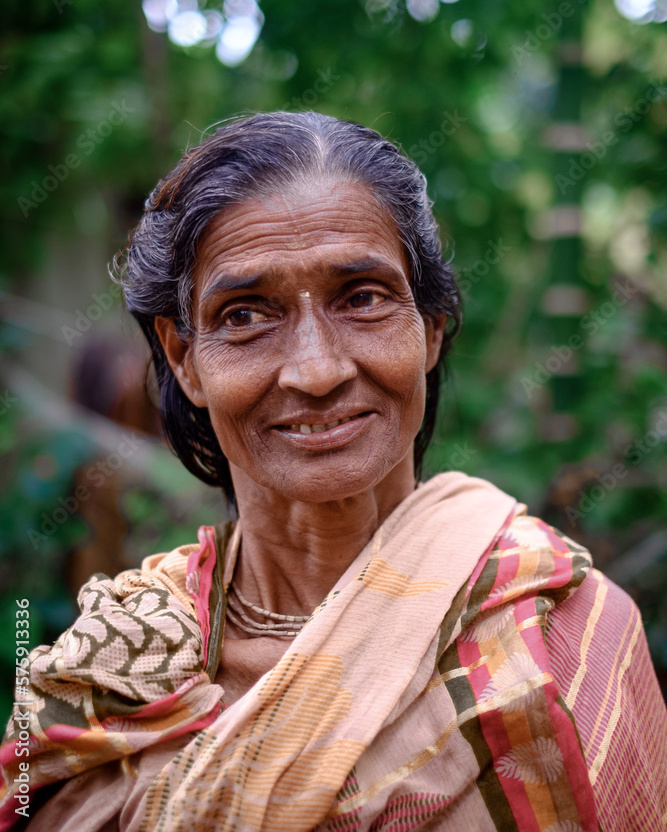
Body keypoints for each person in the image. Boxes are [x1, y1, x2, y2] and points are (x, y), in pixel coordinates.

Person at [1, 111, 665, 831]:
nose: (316, 370)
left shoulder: (557, 632)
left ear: (431, 328)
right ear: (185, 358)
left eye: (363, 298)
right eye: (246, 314)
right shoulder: (108, 673)